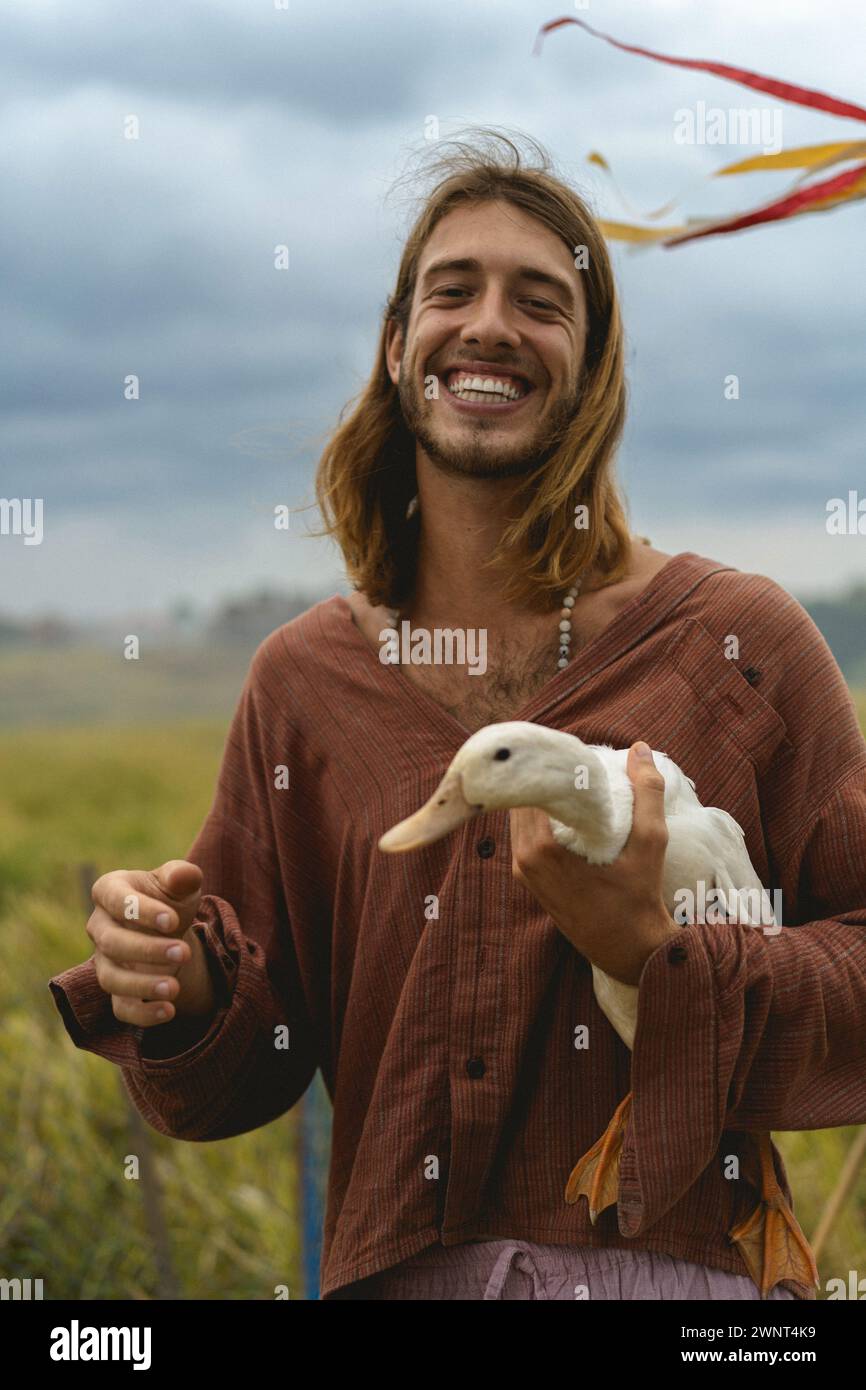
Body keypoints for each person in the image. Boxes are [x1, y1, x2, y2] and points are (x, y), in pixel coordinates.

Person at [49, 130, 866, 1301]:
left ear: (592, 366)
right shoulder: (303, 683)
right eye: (451, 291)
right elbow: (242, 1076)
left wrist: (660, 960)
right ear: (397, 347)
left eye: (539, 301)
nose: (488, 325)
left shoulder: (740, 646)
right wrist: (180, 982)